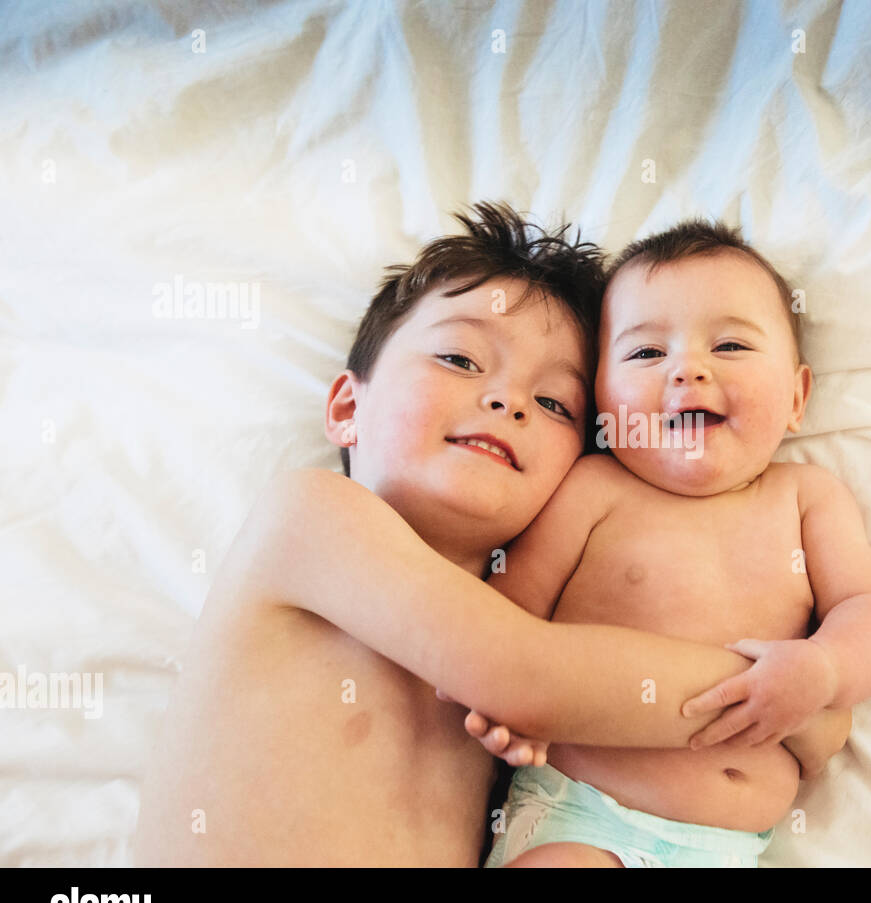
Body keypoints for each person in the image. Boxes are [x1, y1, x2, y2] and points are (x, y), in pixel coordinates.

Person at [132, 204, 830, 867]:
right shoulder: (311, 517)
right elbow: (530, 677)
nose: (507, 401)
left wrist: (811, 703)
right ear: (349, 405)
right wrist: (800, 695)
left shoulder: (520, 660)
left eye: (555, 402)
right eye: (460, 360)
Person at [474, 221, 871, 867]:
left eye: (730, 344)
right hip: (584, 817)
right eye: (646, 354)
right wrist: (503, 701)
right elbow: (506, 615)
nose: (687, 368)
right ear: (599, 402)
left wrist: (826, 669)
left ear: (796, 395)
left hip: (729, 847)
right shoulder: (594, 489)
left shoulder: (806, 498)